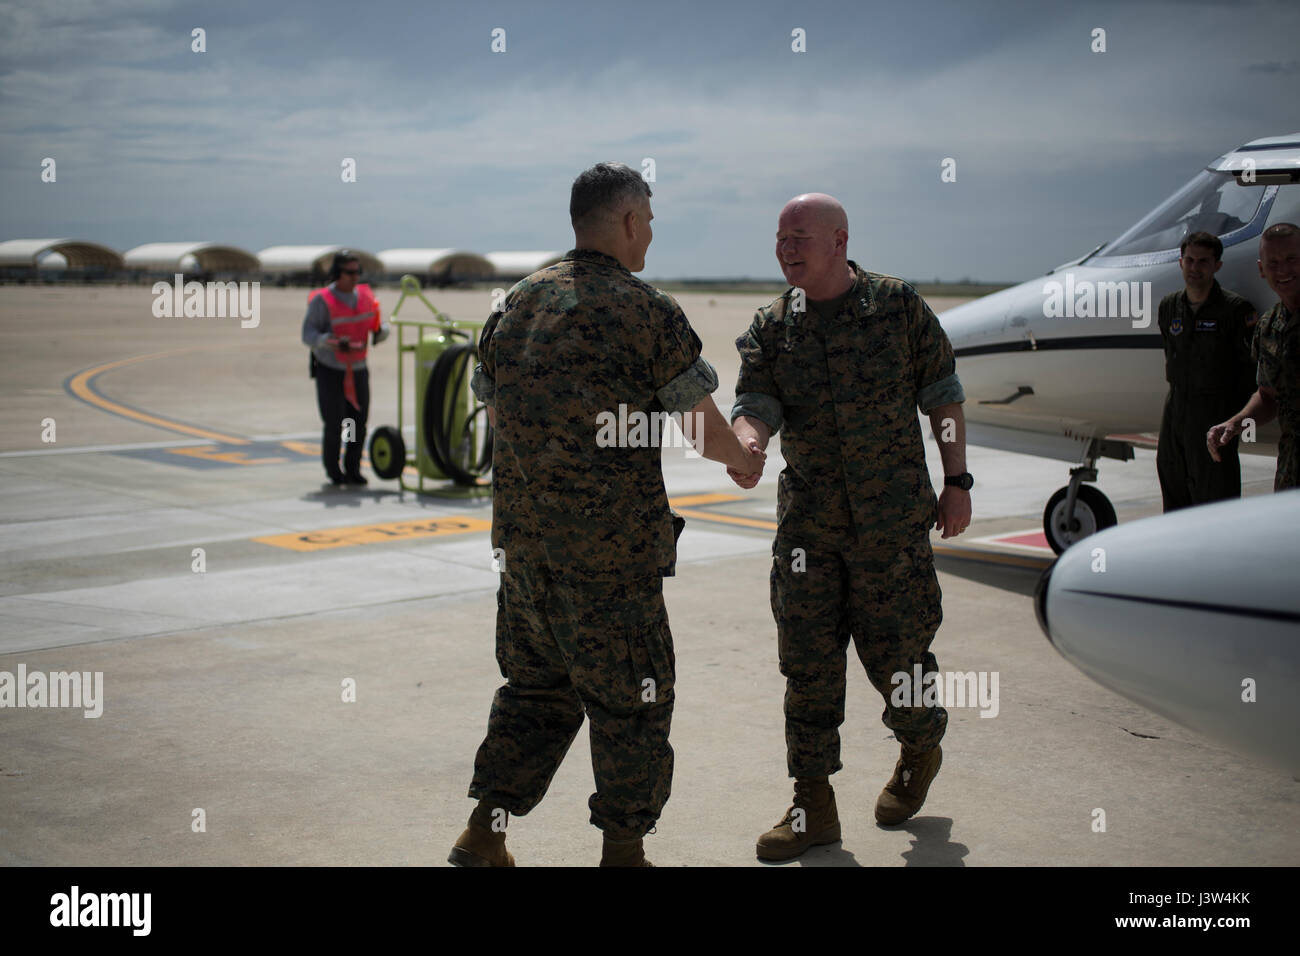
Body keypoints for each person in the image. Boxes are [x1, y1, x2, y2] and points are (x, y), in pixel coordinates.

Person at [450, 162, 764, 868]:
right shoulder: (644, 309)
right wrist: (744, 451)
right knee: (633, 703)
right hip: (610, 564)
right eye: (647, 220)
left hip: (526, 557)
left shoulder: (513, 306)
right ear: (626, 221)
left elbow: (499, 417)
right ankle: (624, 851)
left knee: (535, 693)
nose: (650, 233)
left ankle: (485, 833)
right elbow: (701, 429)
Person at [729, 193, 971, 861]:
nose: (785, 247)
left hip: (891, 528)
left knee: (899, 666)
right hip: (809, 532)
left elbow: (943, 392)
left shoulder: (897, 307)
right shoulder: (774, 325)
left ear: (839, 240)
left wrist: (956, 481)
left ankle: (920, 745)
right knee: (807, 668)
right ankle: (813, 806)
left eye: (798, 235)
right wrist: (747, 443)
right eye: (779, 236)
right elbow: (755, 403)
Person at [1155, 231, 1257, 511]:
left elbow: (1248, 374)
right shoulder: (1169, 307)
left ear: (1217, 266)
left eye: (1203, 261)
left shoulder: (1235, 310)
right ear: (1180, 263)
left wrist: (1234, 421)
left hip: (1213, 415)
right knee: (1173, 490)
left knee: (1215, 502)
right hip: (1175, 411)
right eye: (1189, 260)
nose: (1194, 267)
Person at [1208, 222, 1300, 491]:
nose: (1282, 270)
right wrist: (1236, 423)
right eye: (1273, 263)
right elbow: (1269, 396)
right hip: (1291, 469)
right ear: (1261, 269)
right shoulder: (1268, 326)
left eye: (1292, 259)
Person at [301, 251, 389, 486]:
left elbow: (377, 324)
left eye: (357, 272)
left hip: (358, 369)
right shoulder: (323, 300)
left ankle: (353, 468)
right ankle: (333, 470)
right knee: (335, 422)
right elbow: (307, 334)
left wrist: (381, 332)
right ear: (336, 274)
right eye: (349, 272)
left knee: (357, 422)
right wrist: (329, 341)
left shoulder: (365, 297)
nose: (354, 277)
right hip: (331, 370)